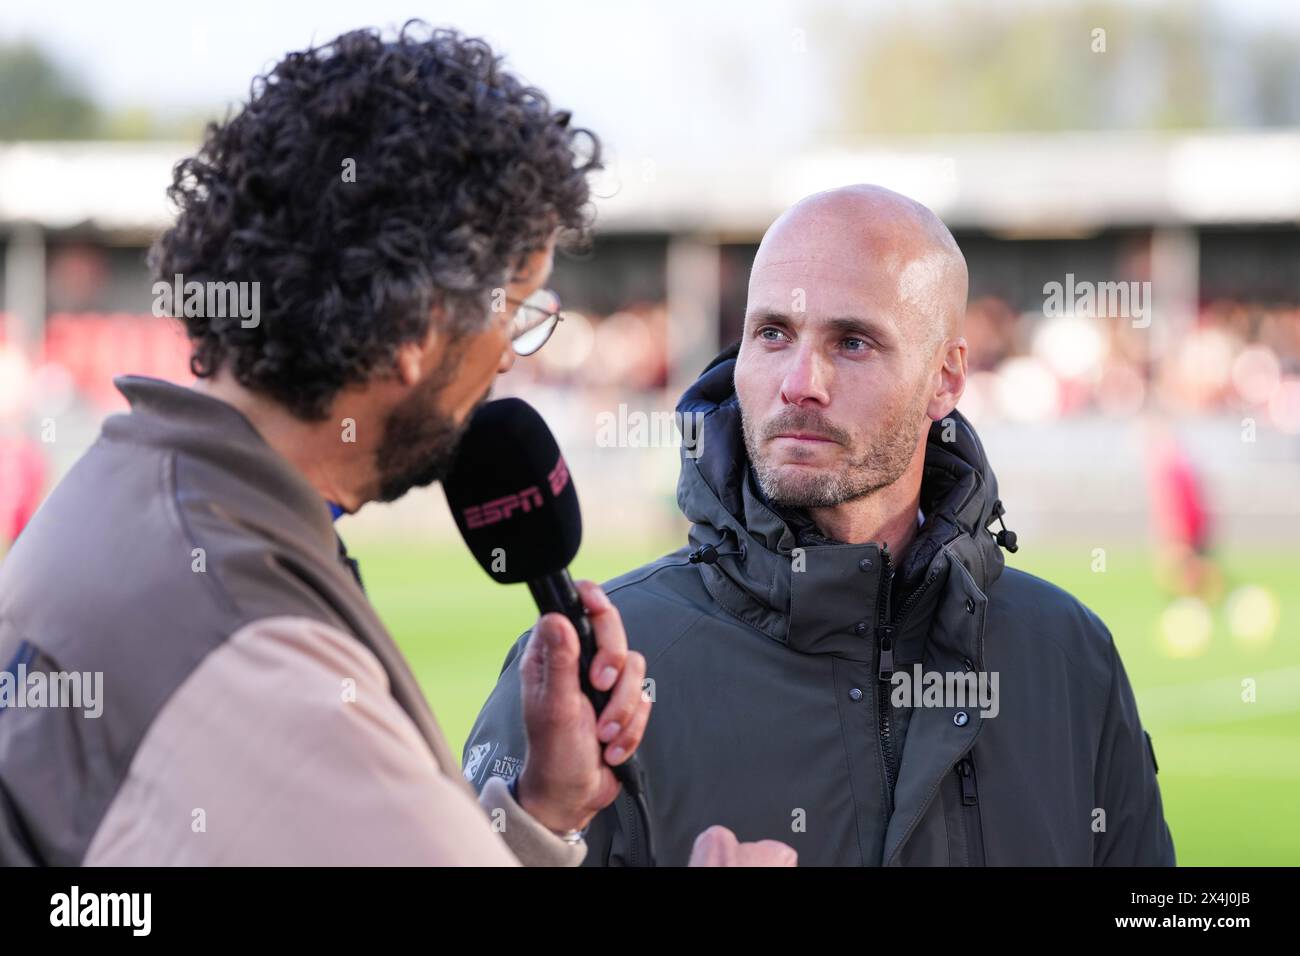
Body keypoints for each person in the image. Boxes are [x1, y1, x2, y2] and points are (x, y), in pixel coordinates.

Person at [0, 24, 791, 867]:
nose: (508, 363)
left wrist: (537, 813)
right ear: (418, 332)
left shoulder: (128, 488)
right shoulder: (259, 652)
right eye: (517, 312)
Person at [466, 184, 1176, 866]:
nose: (800, 381)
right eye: (772, 333)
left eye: (854, 343)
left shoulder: (1070, 653)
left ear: (947, 378)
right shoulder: (595, 674)